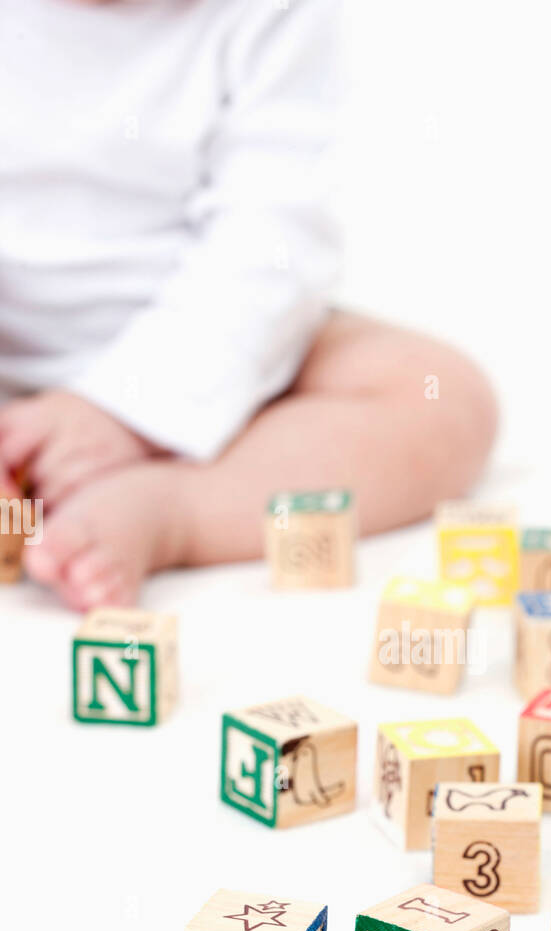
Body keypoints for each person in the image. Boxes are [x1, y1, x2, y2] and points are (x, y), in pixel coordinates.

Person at [0, 0, 496, 610]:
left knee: (437, 393)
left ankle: (174, 509)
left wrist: (128, 409)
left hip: (223, 345)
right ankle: (35, 490)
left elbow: (274, 240)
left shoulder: (272, 13)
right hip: (12, 354)